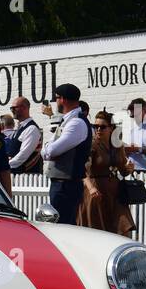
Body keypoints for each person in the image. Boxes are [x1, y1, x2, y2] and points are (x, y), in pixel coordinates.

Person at [40, 83, 91, 224]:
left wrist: (47, 150)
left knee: (62, 225)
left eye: (56, 98)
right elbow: (47, 149)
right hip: (62, 184)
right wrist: (47, 150)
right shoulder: (68, 121)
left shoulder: (76, 123)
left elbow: (50, 150)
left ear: (63, 99)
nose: (56, 102)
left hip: (66, 185)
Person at [78, 111, 135, 236]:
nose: (98, 129)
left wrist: (129, 168)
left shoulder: (117, 145)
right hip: (95, 192)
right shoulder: (91, 145)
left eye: (102, 127)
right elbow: (82, 169)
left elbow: (123, 171)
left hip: (115, 193)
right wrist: (91, 188)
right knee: (97, 232)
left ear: (111, 128)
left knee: (124, 229)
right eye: (95, 126)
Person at [5, 96, 43, 173]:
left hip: (27, 177)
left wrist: (5, 165)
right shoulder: (21, 127)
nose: (12, 111)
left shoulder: (31, 129)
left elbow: (23, 155)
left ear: (24, 108)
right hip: (17, 174)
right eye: (11, 108)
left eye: (14, 108)